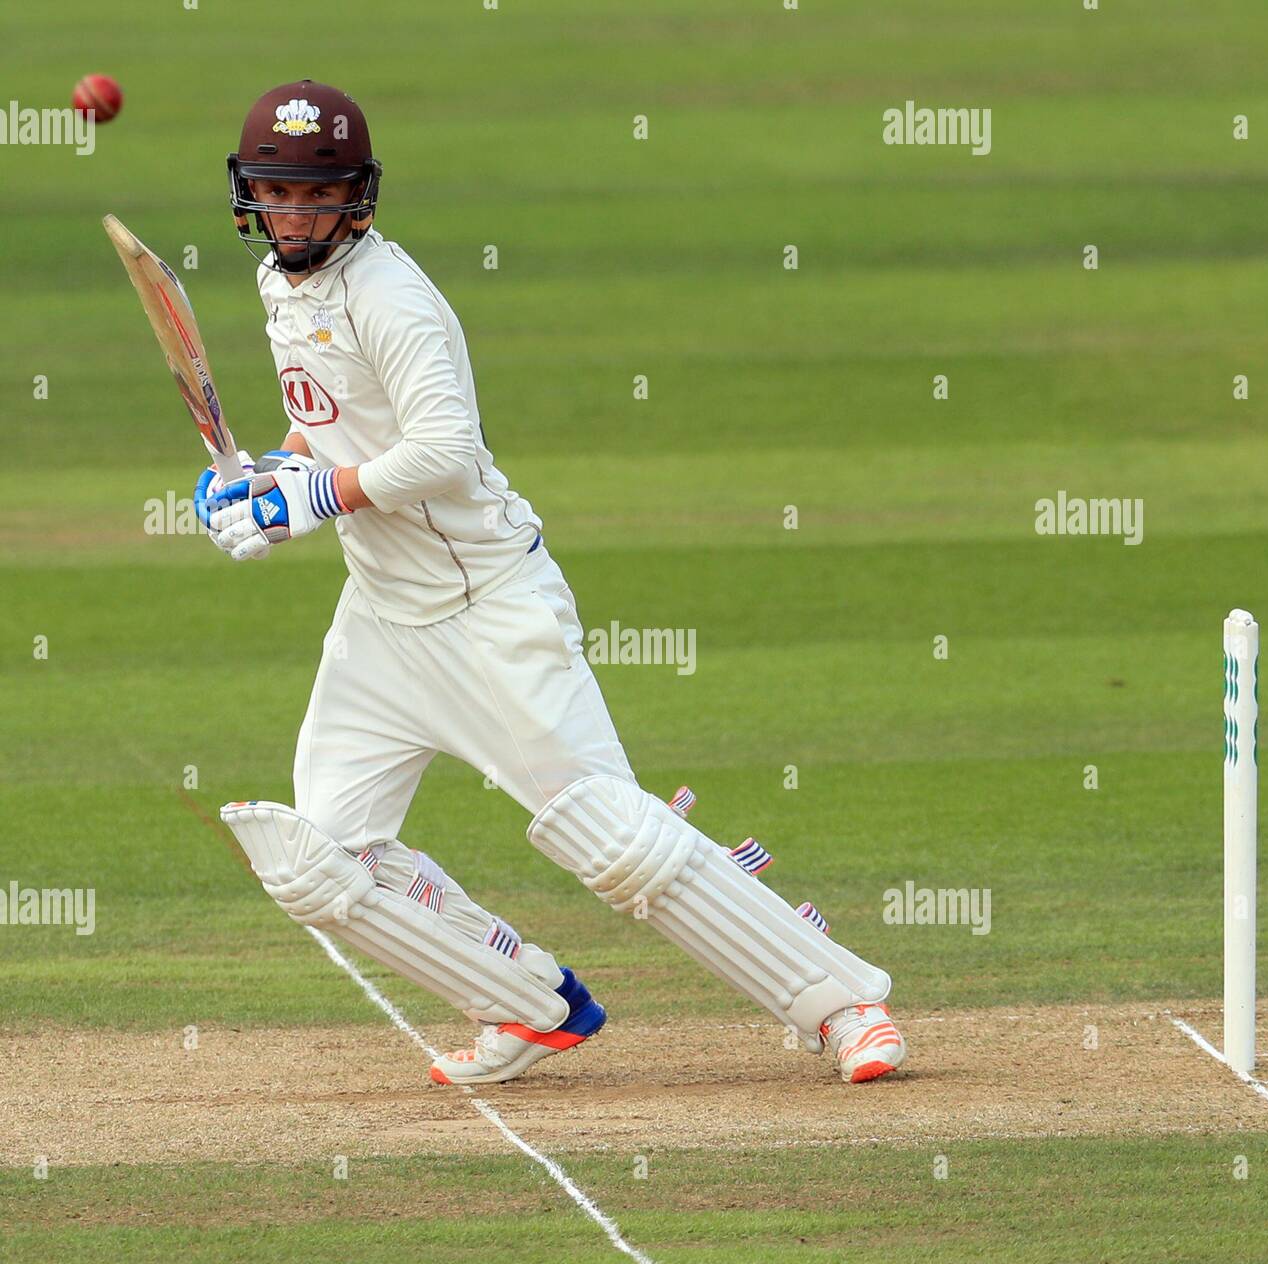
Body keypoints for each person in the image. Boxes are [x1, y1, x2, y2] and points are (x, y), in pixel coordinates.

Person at [201, 80, 906, 1087]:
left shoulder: (392, 298)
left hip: (489, 606)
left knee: (613, 841)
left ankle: (845, 1003)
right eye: (275, 192)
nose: (294, 213)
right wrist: (265, 481)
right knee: (321, 857)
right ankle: (528, 1003)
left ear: (359, 197)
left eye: (316, 194)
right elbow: (334, 426)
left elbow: (444, 451)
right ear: (248, 197)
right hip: (382, 622)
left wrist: (315, 497)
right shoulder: (281, 284)